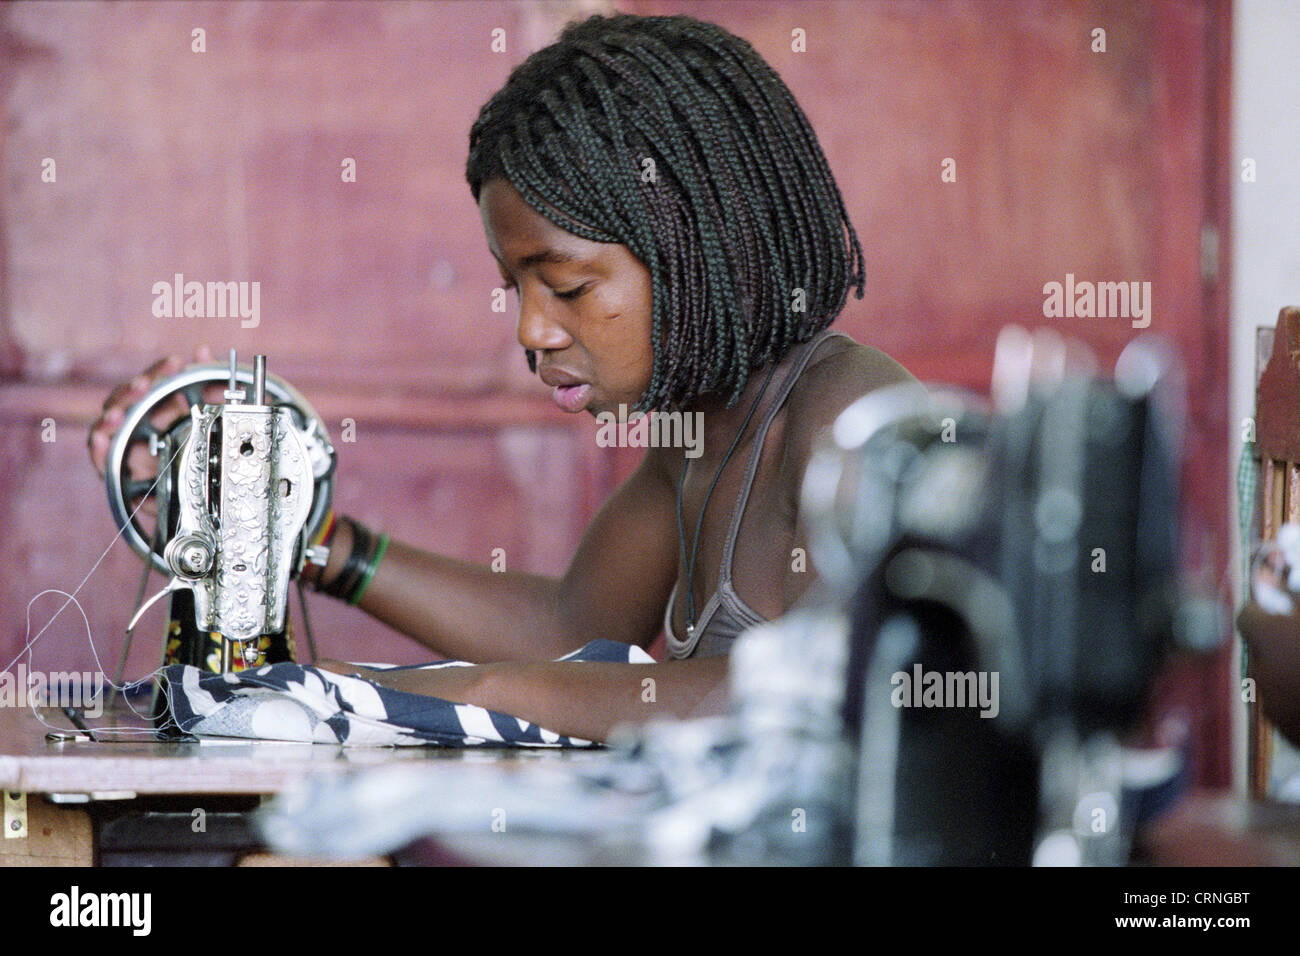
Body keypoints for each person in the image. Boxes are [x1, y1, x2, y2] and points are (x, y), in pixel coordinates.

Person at [88, 13, 914, 743]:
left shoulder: (850, 411)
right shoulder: (691, 440)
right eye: (512, 288)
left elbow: (821, 689)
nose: (531, 330)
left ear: (699, 244)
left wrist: (447, 695)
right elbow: (570, 625)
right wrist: (301, 539)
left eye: (569, 287)